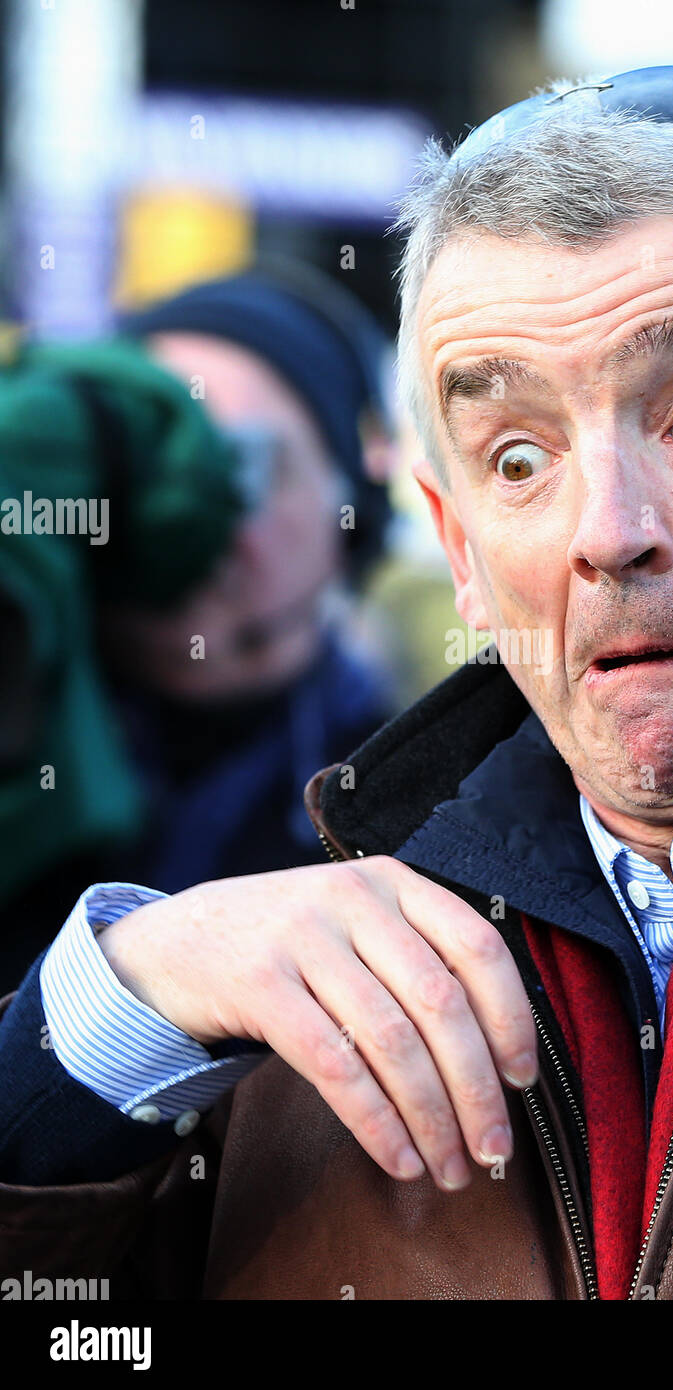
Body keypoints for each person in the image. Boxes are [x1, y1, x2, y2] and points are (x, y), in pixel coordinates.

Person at [1, 65, 673, 1301]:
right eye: (517, 457)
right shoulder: (271, 1037)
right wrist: (113, 1010)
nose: (608, 530)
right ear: (460, 549)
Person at [0, 264, 397, 990]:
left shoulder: (414, 795)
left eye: (240, 465)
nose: (189, 511)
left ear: (348, 514)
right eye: (151, 467)